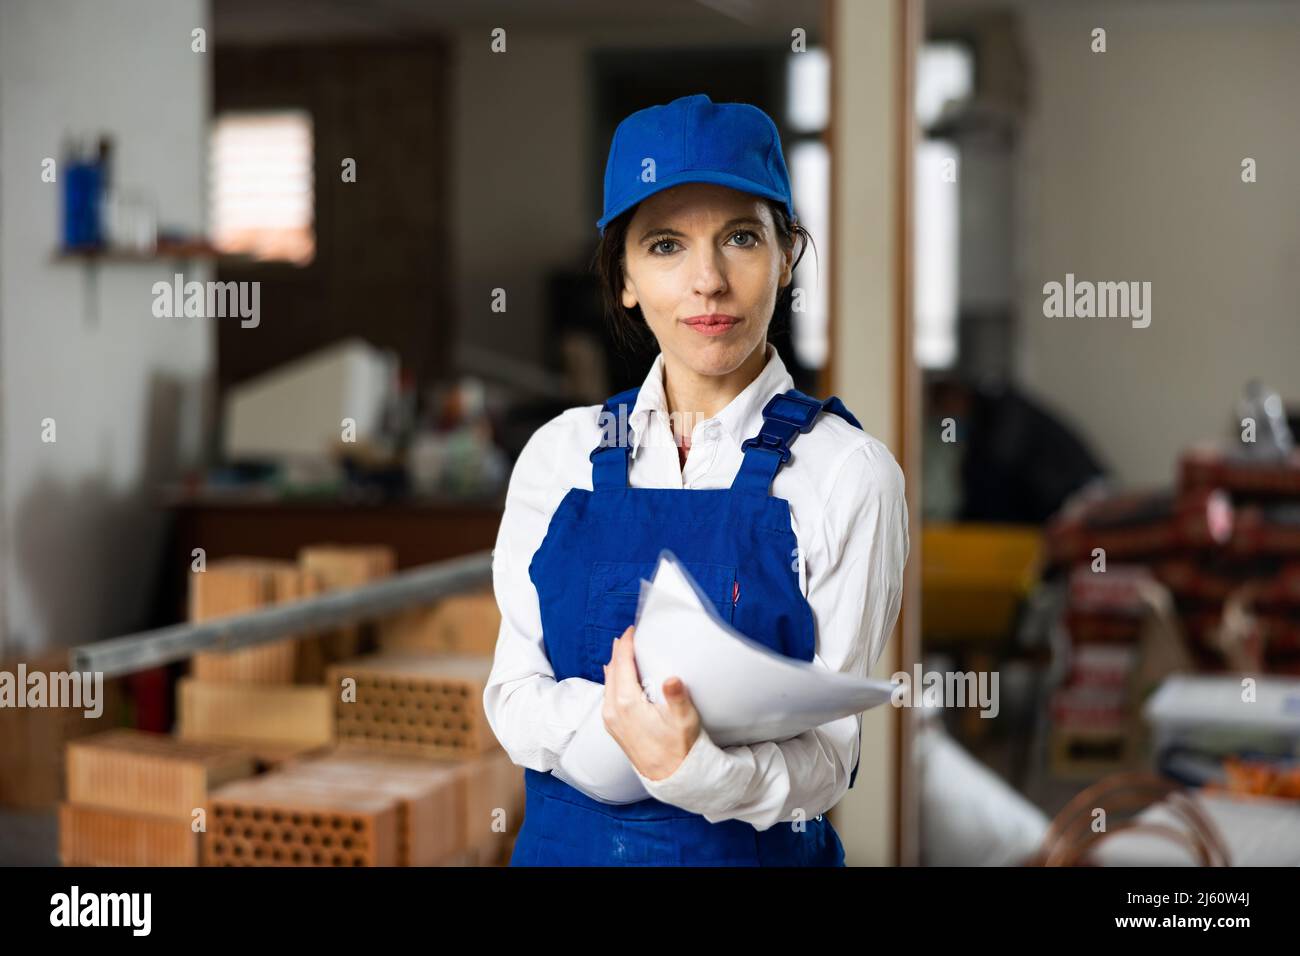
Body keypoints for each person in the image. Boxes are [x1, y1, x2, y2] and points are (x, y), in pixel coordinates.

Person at [483, 93, 909, 866]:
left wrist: (694, 770)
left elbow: (830, 755)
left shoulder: (849, 473)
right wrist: (618, 735)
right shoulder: (559, 456)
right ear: (623, 278)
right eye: (667, 245)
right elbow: (511, 693)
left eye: (741, 238)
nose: (707, 281)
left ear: (787, 258)